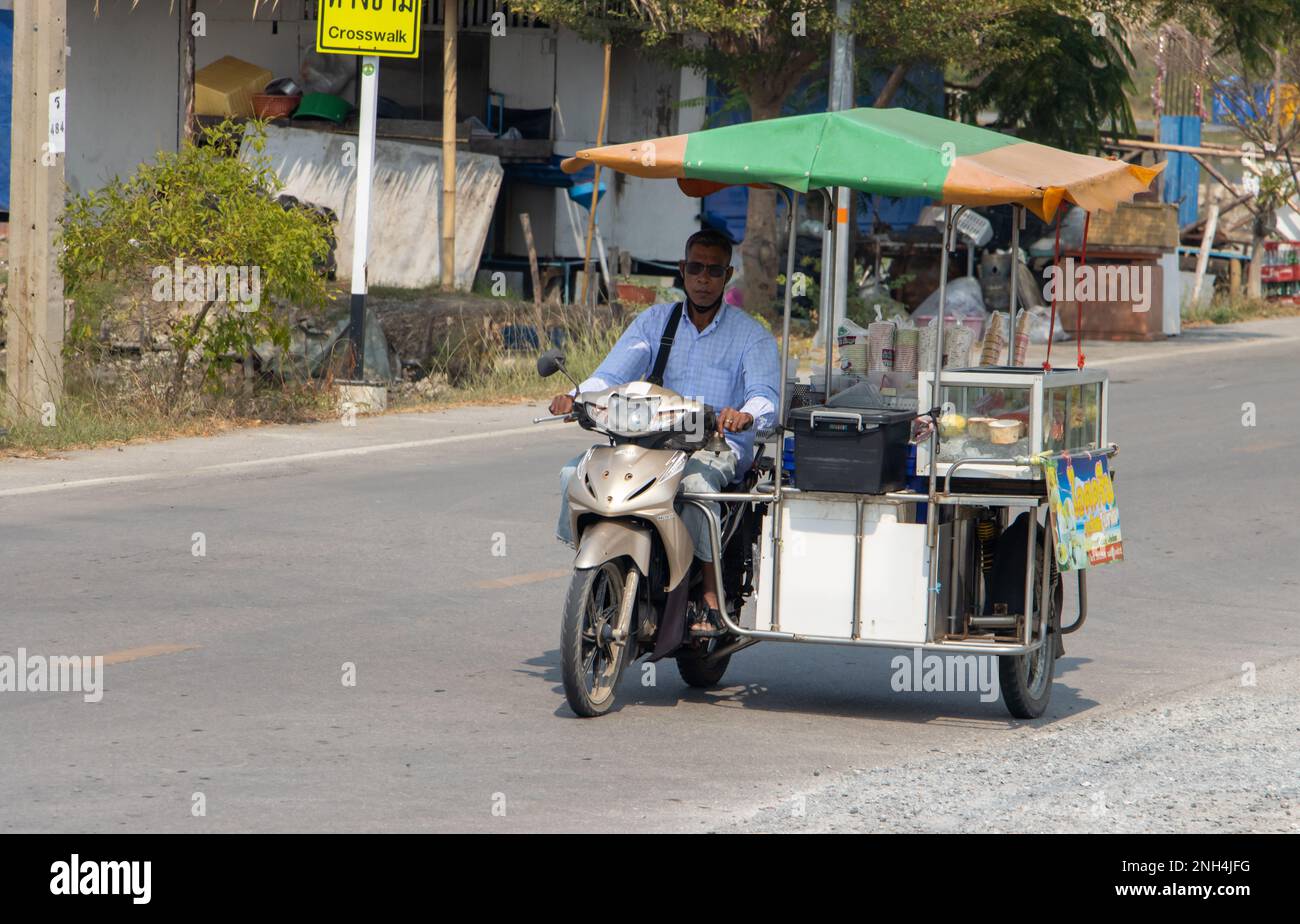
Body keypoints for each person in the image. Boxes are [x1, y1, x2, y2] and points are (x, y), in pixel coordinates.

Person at [551, 228, 780, 636]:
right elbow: (610, 373)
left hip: (712, 446)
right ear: (682, 270)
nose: (703, 279)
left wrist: (744, 414)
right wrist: (574, 395)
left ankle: (709, 592)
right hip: (651, 442)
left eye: (713, 270)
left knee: (694, 488)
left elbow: (764, 396)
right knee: (575, 473)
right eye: (695, 268)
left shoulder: (750, 336)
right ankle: (596, 561)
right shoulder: (655, 321)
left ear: (727, 275)